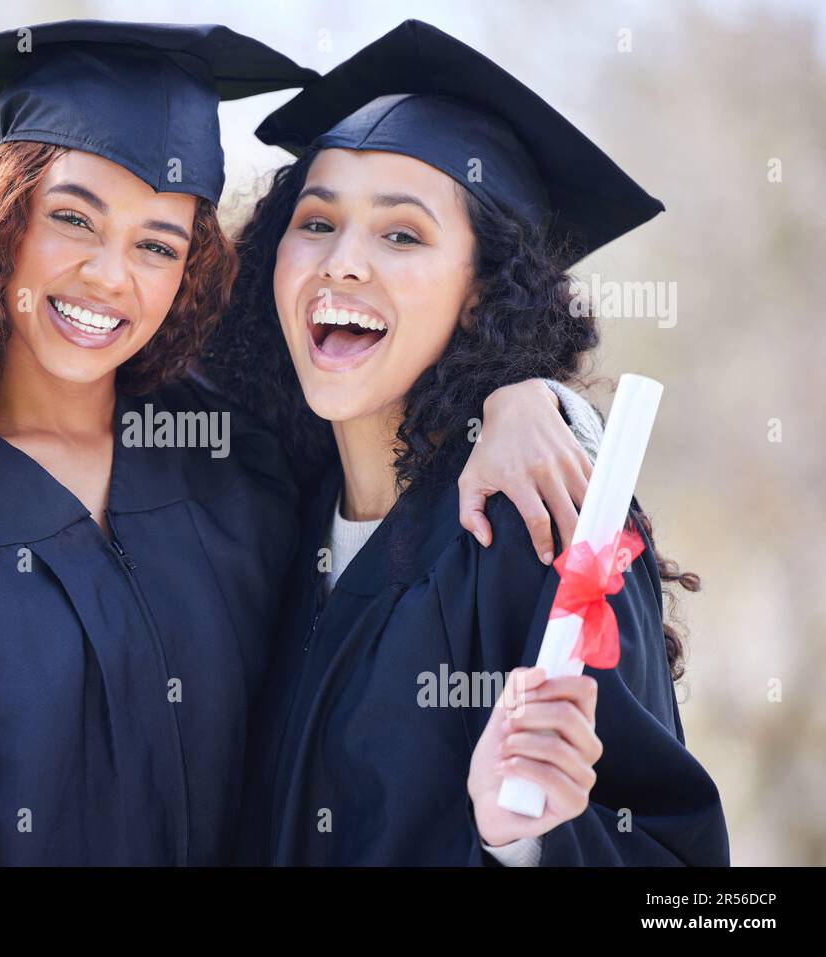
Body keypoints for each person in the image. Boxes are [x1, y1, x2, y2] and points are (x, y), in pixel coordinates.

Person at [0, 19, 613, 867]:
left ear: (196, 271)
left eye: (160, 245)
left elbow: (390, 450)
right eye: (72, 218)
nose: (109, 275)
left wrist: (519, 398)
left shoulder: (241, 472)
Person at [204, 20, 730, 865]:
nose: (342, 261)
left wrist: (523, 838)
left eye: (402, 234)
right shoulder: (279, 514)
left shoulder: (543, 522)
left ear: (484, 295)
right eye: (315, 222)